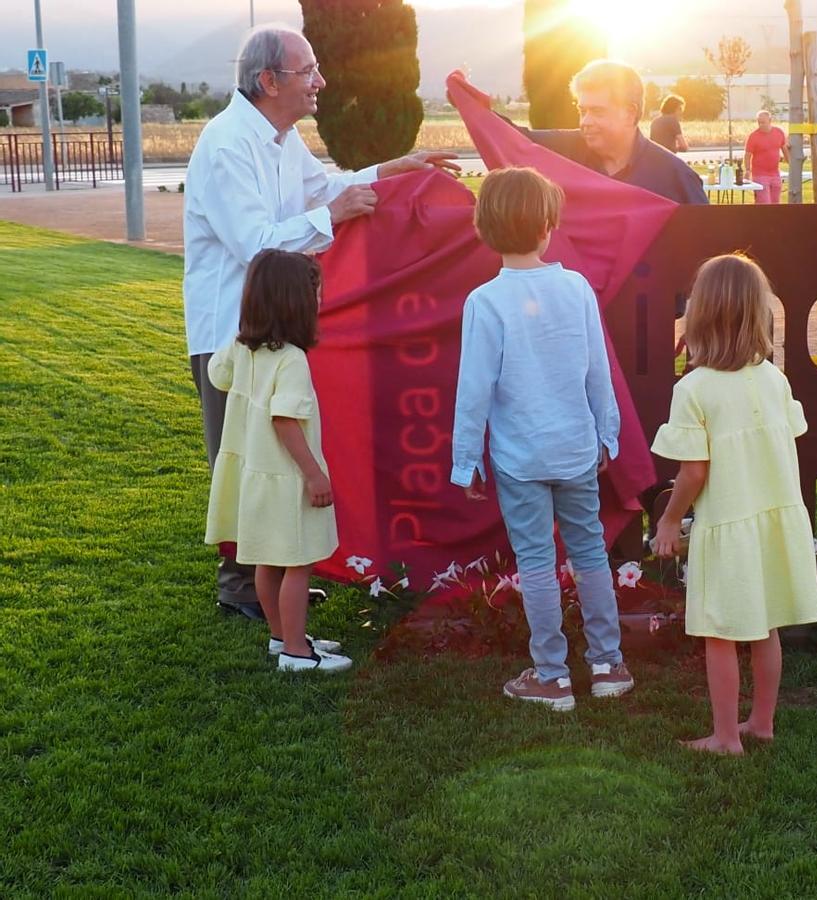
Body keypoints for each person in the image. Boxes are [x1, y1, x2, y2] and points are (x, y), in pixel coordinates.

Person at [184, 24, 458, 620]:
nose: (321, 81)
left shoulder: (281, 139)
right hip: (228, 331)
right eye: (309, 70)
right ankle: (240, 586)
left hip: (272, 328)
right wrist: (332, 216)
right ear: (268, 81)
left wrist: (395, 169)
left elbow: (325, 187)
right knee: (244, 457)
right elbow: (253, 243)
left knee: (279, 457)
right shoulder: (229, 143)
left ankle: (273, 575)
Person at [451, 167, 633, 711]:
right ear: (548, 225)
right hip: (577, 449)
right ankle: (607, 664)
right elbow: (598, 370)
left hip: (520, 457)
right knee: (589, 552)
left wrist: (466, 462)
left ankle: (552, 674)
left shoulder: (485, 302)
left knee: (535, 560)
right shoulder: (575, 287)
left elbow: (473, 391)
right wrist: (608, 434)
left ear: (484, 226)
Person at [650, 254, 817, 756]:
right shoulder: (774, 378)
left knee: (720, 632)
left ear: (700, 314)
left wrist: (668, 520)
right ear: (758, 313)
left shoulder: (694, 389)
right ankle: (761, 723)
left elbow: (695, 472)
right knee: (764, 624)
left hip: (728, 525)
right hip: (771, 523)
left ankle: (726, 738)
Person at [205, 249, 352, 673]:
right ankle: (297, 654)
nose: (320, 301)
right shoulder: (291, 359)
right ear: (296, 303)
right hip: (287, 479)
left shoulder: (241, 346)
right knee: (298, 565)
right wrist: (314, 474)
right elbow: (285, 420)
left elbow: (218, 375)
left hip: (256, 476)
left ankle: (280, 637)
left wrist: (239, 336)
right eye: (316, 294)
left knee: (267, 560)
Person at [460, 60, 706, 204]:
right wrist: (471, 106)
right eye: (582, 110)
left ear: (630, 113)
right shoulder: (562, 150)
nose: (585, 121)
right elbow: (514, 139)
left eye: (597, 111)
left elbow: (708, 254)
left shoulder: (677, 178)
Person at [743, 110, 789, 204]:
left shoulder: (779, 132)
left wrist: (791, 164)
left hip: (775, 174)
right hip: (759, 175)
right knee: (765, 203)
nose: (760, 124)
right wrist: (747, 170)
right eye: (759, 122)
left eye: (763, 122)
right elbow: (747, 155)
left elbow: (785, 149)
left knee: (775, 203)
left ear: (770, 120)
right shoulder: (753, 136)